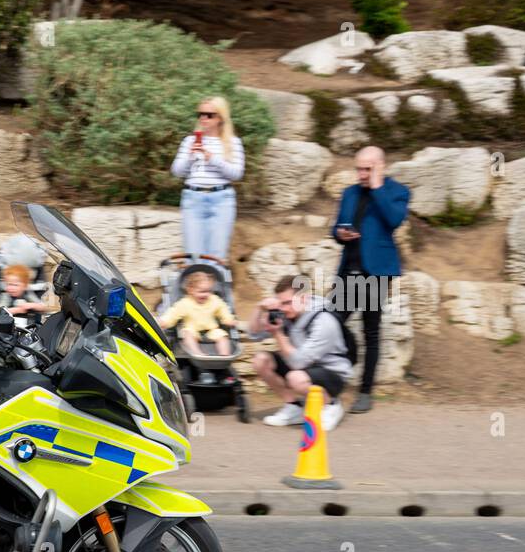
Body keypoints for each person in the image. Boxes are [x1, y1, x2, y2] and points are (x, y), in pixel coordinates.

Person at [330, 146, 410, 414]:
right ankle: (331, 384)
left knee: (371, 331)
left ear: (380, 166)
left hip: (375, 272)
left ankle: (365, 393)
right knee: (330, 322)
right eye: (359, 168)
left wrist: (377, 187)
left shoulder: (397, 191)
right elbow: (336, 226)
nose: (361, 174)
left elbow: (394, 220)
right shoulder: (349, 193)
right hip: (348, 269)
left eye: (367, 168)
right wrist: (340, 233)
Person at [250, 275, 352, 432]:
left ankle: (331, 405)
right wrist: (259, 309)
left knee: (295, 377)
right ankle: (294, 407)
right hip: (304, 368)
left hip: (333, 373)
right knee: (260, 360)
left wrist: (277, 334)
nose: (282, 308)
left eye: (287, 303)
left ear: (304, 298)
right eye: (280, 303)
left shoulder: (324, 320)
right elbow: (254, 335)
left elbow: (298, 363)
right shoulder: (287, 314)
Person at [170, 96, 246, 261]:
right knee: (193, 257)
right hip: (193, 199)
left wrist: (212, 159)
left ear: (220, 118)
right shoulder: (190, 141)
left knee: (216, 257)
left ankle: (214, 287)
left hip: (222, 200)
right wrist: (191, 155)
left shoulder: (232, 142)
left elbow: (237, 173)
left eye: (209, 114)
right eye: (200, 114)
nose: (203, 118)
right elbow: (176, 171)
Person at [157, 270, 235, 356]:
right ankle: (198, 353)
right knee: (187, 334)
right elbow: (173, 313)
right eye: (202, 291)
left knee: (222, 336)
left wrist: (228, 319)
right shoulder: (185, 303)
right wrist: (165, 321)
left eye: (209, 291)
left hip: (211, 330)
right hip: (192, 330)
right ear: (190, 290)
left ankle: (224, 355)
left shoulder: (214, 300)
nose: (206, 294)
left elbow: (223, 309)